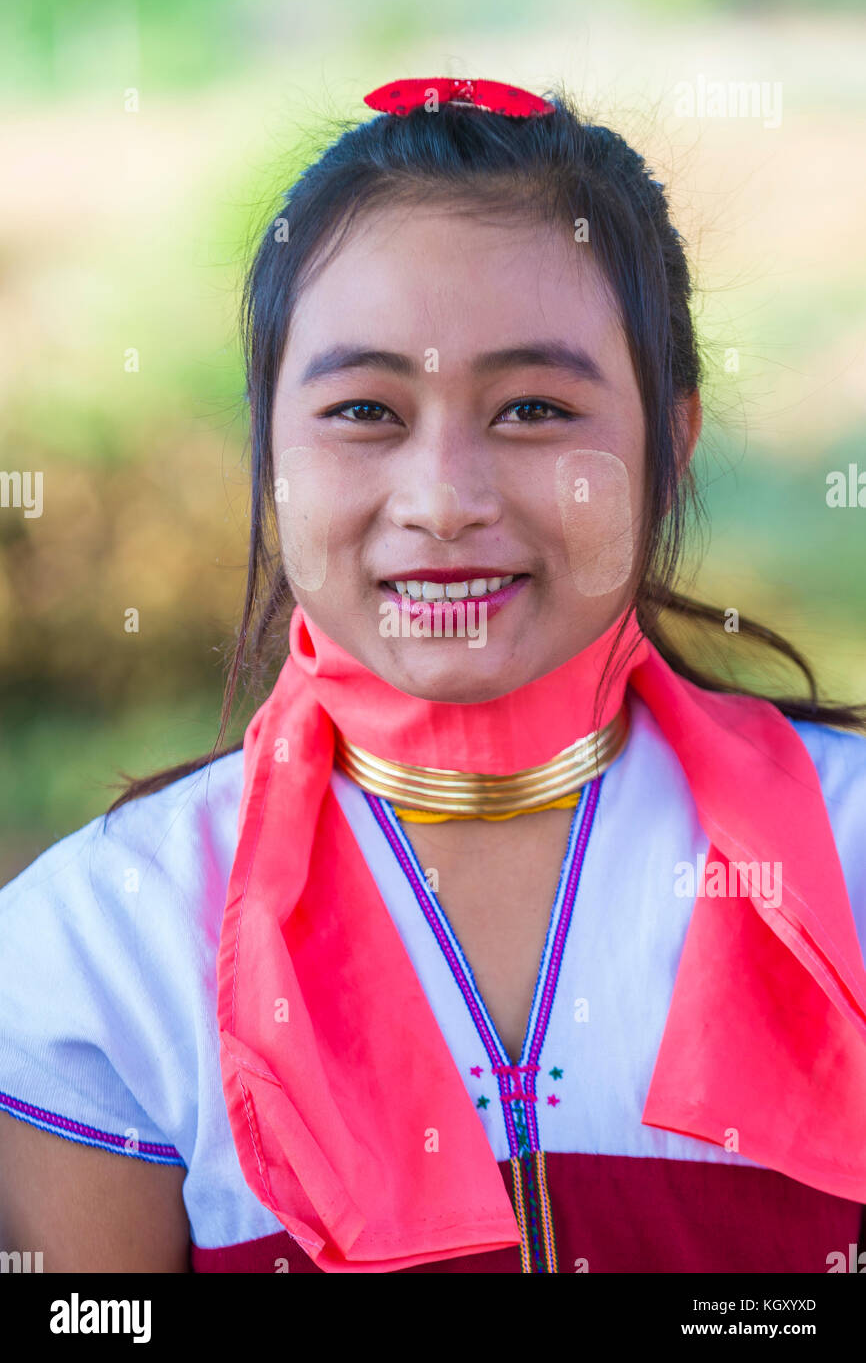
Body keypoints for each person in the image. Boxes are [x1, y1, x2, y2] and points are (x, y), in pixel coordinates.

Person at [1, 76, 865, 1275]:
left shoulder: (851, 851)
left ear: (669, 444)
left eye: (530, 409)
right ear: (271, 451)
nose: (444, 499)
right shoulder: (100, 945)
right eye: (364, 410)